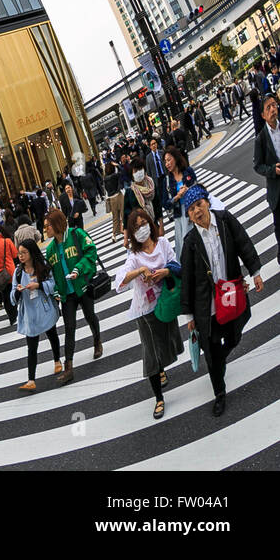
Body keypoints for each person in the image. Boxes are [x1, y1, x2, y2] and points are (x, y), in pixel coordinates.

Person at [179, 186, 264, 417]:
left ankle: (219, 361)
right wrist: (188, 316)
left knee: (235, 335)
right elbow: (186, 279)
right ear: (188, 215)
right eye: (192, 209)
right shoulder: (191, 241)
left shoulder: (225, 221)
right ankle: (219, 393)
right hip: (208, 307)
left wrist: (255, 272)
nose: (197, 211)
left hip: (232, 293)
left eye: (199, 204)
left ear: (207, 202)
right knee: (212, 349)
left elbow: (243, 243)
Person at [116, 208, 184, 420]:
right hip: (145, 309)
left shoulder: (162, 243)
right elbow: (120, 280)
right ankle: (158, 398)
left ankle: (162, 369)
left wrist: (167, 271)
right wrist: (140, 271)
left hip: (165, 301)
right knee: (151, 353)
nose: (141, 229)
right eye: (136, 227)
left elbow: (176, 264)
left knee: (168, 343)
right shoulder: (134, 256)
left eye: (143, 223)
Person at [42, 207, 103, 384]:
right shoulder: (51, 249)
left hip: (82, 286)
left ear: (57, 224)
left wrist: (79, 268)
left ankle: (97, 340)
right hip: (66, 294)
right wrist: (55, 291)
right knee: (69, 328)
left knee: (90, 316)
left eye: (48, 226)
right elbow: (52, 274)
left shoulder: (76, 234)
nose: (45, 229)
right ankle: (69, 367)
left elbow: (91, 251)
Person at [8, 238, 62, 392]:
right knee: (32, 347)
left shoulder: (42, 266)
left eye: (24, 253)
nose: (21, 256)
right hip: (30, 313)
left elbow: (53, 285)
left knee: (52, 334)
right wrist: (17, 292)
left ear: (32, 253)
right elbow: (12, 295)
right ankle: (31, 379)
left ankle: (57, 361)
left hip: (44, 308)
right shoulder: (18, 272)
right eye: (19, 253)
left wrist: (38, 285)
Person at [252, 94, 280, 265]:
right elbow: (257, 165)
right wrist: (272, 170)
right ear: (263, 115)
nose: (273, 109)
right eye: (268, 108)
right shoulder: (261, 138)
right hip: (277, 189)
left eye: (274, 105)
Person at [164, 146, 196, 255]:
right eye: (165, 161)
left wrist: (188, 190)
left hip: (193, 211)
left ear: (176, 158)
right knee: (185, 246)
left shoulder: (188, 171)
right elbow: (166, 204)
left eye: (169, 160)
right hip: (179, 216)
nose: (167, 164)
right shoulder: (167, 180)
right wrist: (177, 197)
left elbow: (199, 189)